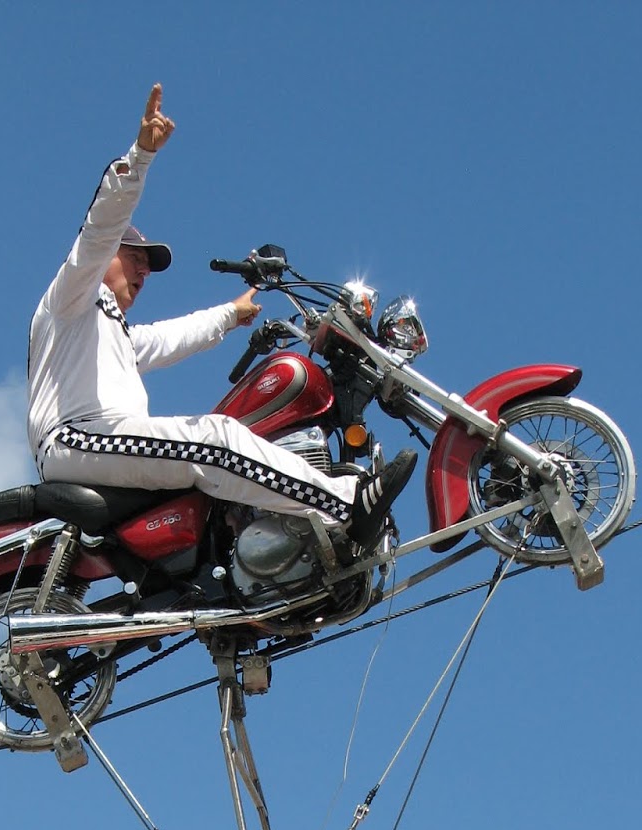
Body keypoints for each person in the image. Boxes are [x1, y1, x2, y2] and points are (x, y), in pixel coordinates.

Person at [28, 84, 416, 546]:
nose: (143, 270)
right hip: (76, 438)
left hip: (104, 441)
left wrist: (230, 315)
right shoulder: (71, 295)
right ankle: (344, 505)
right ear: (105, 254)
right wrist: (140, 157)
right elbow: (99, 229)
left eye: (148, 266)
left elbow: (173, 337)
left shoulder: (112, 336)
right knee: (215, 440)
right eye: (135, 257)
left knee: (221, 453)